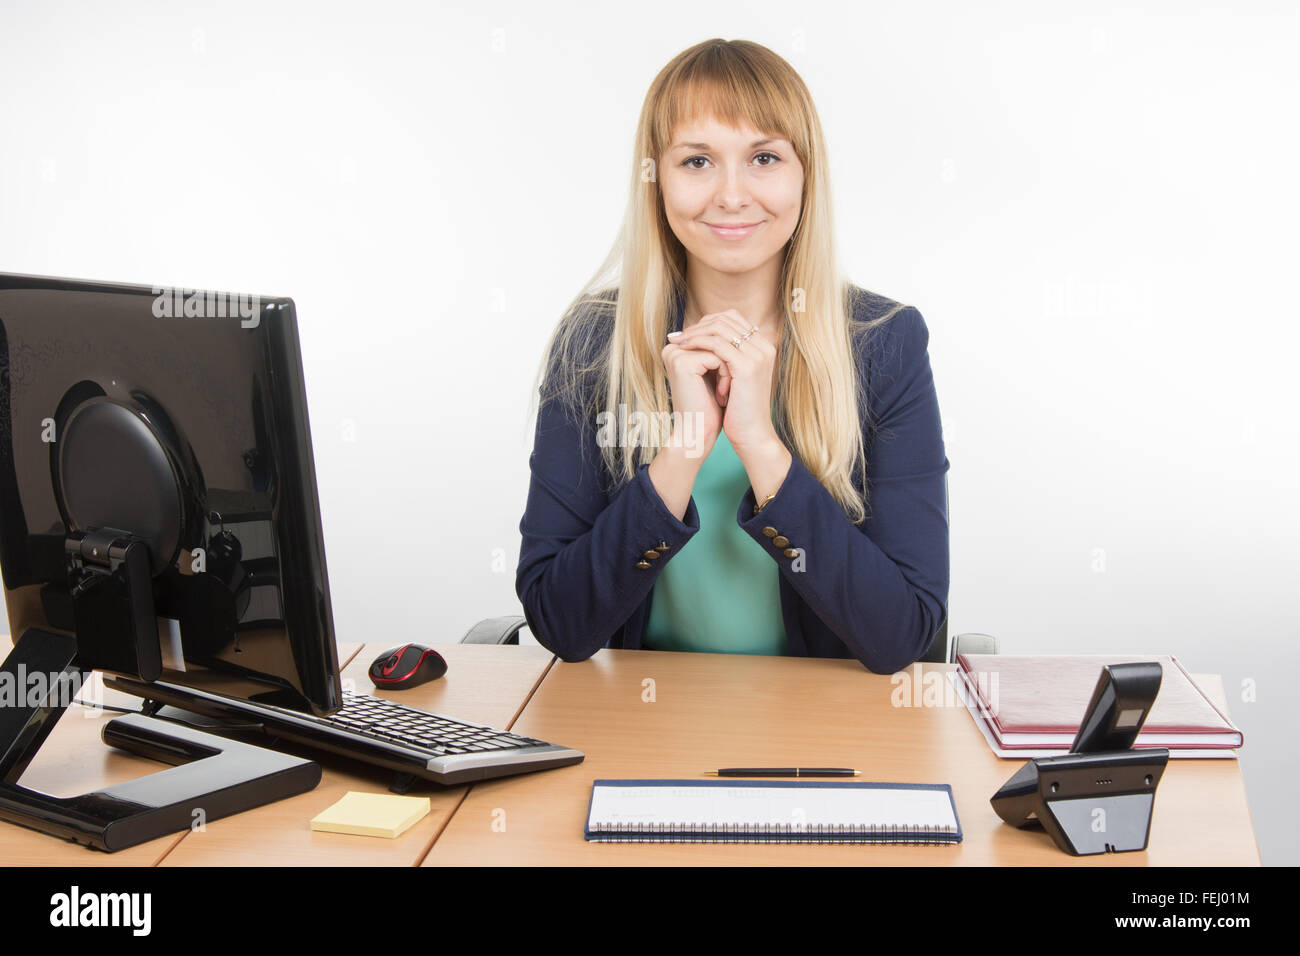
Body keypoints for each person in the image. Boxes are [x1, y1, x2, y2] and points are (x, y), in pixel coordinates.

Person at [515, 38, 949, 673]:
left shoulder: (884, 342)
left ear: (806, 174)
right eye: (696, 161)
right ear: (655, 176)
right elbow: (561, 623)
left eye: (764, 157)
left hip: (822, 733)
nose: (732, 195)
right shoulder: (592, 343)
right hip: (642, 727)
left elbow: (901, 635)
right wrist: (686, 446)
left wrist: (759, 447)